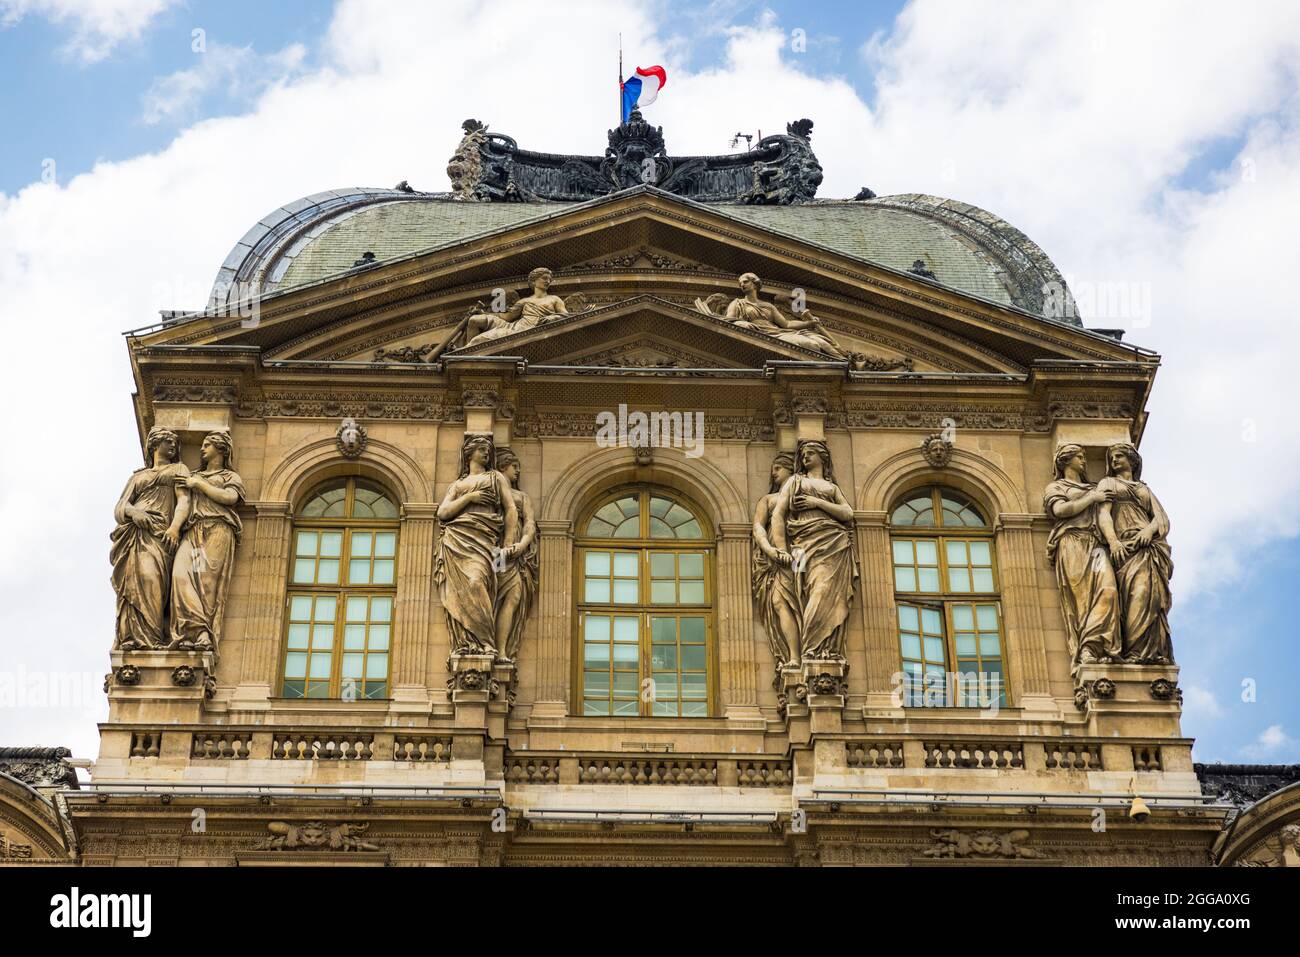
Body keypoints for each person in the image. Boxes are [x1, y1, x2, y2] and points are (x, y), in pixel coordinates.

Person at [770, 440, 859, 660]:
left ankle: (819, 650)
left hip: (835, 543)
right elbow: (778, 515)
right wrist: (782, 550)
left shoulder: (832, 488)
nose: (805, 458)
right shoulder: (795, 481)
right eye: (803, 455)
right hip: (801, 546)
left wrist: (817, 503)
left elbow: (847, 514)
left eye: (810, 453)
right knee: (807, 593)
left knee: (826, 591)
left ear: (823, 457)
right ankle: (810, 650)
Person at [434, 434, 519, 654]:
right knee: (461, 590)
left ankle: (484, 641)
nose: (486, 453)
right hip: (457, 540)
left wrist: (508, 543)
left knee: (475, 581)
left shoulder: (496, 477)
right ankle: (470, 642)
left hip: (484, 541)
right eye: (481, 449)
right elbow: (443, 513)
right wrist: (469, 498)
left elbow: (510, 509)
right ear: (469, 453)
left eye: (488, 450)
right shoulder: (458, 485)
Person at [1043, 444, 1123, 677]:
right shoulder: (1056, 487)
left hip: (1095, 543)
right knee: (1081, 598)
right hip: (1072, 542)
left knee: (1108, 590)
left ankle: (1098, 644)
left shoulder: (1093, 487)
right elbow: (1060, 510)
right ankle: (1087, 650)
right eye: (1079, 456)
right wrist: (1092, 498)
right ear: (1065, 461)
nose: (1083, 460)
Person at [111, 427, 191, 649]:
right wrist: (134, 513)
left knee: (152, 580)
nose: (173, 445)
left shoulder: (179, 469)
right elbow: (121, 506)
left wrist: (174, 528)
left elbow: (184, 501)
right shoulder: (138, 476)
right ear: (155, 445)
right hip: (136, 533)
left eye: (175, 442)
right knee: (134, 583)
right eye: (168, 441)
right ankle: (135, 638)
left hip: (161, 534)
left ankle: (152, 636)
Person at [1098, 443, 1174, 663]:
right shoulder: (1108, 483)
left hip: (1148, 548)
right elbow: (1104, 515)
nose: (1115, 460)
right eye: (1112, 457)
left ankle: (1146, 653)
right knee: (1135, 596)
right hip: (1124, 548)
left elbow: (1161, 519)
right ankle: (1133, 650)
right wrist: (1113, 542)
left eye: (1120, 456)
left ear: (1132, 459)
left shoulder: (1144, 489)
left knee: (1150, 597)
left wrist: (1149, 531)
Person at [170, 430, 245, 651]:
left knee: (206, 583)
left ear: (220, 449)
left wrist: (198, 485)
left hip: (217, 530)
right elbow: (182, 503)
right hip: (194, 531)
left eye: (207, 445)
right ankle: (191, 629)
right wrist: (174, 528)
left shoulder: (230, 477)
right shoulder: (193, 475)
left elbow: (230, 497)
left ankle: (202, 634)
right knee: (180, 576)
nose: (202, 449)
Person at [751, 452, 800, 670]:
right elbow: (758, 527)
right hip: (777, 560)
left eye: (778, 468)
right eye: (773, 469)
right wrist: (770, 550)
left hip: (801, 556)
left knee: (804, 602)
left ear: (791, 469)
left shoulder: (801, 495)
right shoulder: (768, 500)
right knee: (780, 603)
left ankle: (807, 653)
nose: (774, 472)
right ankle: (794, 657)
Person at [492, 447, 537, 663]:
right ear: (502, 467)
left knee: (513, 597)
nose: (517, 471)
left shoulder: (522, 497)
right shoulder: (491, 491)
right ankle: (488, 647)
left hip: (514, 553)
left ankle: (501, 650)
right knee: (492, 596)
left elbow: (529, 523)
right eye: (514, 467)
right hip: (495, 552)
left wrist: (521, 545)